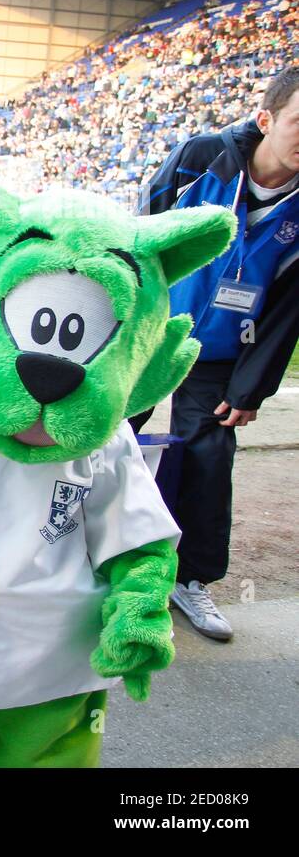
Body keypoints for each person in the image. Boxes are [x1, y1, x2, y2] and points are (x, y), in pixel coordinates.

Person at [133, 66, 299, 641]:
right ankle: (73, 556)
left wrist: (252, 386)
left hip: (224, 348)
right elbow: (138, 237)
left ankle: (191, 578)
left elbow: (289, 306)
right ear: (266, 119)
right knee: (107, 439)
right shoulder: (201, 157)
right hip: (149, 335)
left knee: (207, 458)